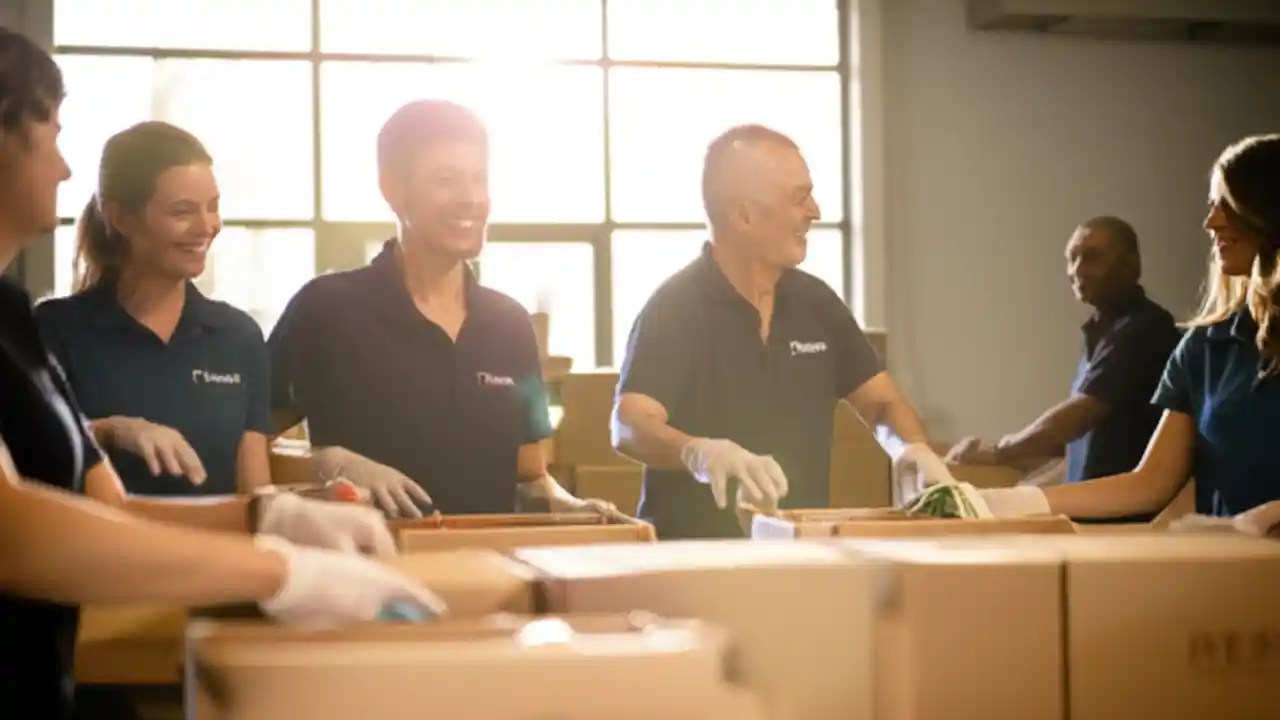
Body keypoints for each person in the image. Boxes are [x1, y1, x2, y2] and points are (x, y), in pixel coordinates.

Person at [0, 27, 439, 719]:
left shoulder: (14, 322)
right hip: (86, 649)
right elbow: (15, 530)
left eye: (212, 206)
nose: (62, 168)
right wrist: (283, 568)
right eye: (50, 133)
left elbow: (112, 511)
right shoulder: (56, 327)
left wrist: (272, 513)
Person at [269, 99, 616, 520]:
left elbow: (529, 478)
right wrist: (328, 464)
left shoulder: (509, 325)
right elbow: (248, 447)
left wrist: (574, 508)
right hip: (368, 574)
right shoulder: (326, 309)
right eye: (447, 180)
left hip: (487, 575)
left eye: (479, 179)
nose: (470, 198)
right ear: (392, 189)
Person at [610, 124, 958, 539]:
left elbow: (881, 402)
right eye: (799, 198)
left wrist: (910, 448)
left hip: (797, 552)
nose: (814, 211)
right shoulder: (677, 308)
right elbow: (629, 424)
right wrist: (698, 453)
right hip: (692, 560)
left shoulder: (817, 304)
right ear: (744, 215)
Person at [978, 134, 1280, 538]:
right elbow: (1150, 483)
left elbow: (1076, 418)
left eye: (1229, 203)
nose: (1212, 222)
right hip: (1230, 576)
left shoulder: (1143, 330)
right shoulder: (1203, 348)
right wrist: (1002, 503)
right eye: (1211, 204)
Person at [35, 121, 271, 497]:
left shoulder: (239, 335)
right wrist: (111, 430)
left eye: (212, 207)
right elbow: (29, 459)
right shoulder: (53, 329)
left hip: (219, 554)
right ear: (121, 217)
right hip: (102, 552)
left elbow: (255, 495)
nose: (207, 226)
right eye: (182, 211)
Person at [947, 217, 1182, 521]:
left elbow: (1079, 416)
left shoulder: (1145, 328)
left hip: (1124, 522)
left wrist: (1000, 451)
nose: (1077, 270)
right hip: (1093, 517)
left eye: (1093, 257)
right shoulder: (1104, 332)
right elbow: (1086, 440)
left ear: (1131, 266)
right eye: (1072, 258)